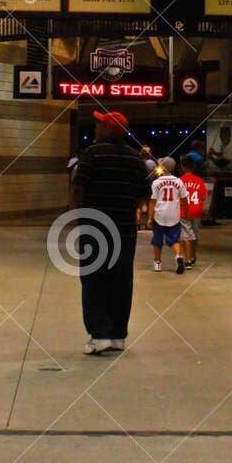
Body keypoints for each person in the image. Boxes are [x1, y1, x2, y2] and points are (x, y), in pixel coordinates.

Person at [70, 110, 151, 354]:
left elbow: (78, 187)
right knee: (121, 281)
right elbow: (144, 194)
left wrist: (77, 217)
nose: (95, 129)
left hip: (95, 228)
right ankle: (117, 335)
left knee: (94, 280)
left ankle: (100, 335)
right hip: (125, 231)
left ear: (107, 130)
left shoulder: (92, 153)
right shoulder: (135, 159)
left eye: (99, 126)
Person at [149, 156, 190, 274]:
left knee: (157, 240)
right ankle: (178, 256)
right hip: (174, 215)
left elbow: (152, 201)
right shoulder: (179, 181)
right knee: (174, 240)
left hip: (159, 215)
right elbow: (184, 199)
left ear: (162, 167)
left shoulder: (156, 182)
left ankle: (157, 263)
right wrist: (186, 212)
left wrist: (150, 218)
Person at [180, 160, 208, 269]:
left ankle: (187, 261)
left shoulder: (180, 181)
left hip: (184, 211)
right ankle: (193, 256)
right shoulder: (199, 181)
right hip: (197, 211)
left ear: (182, 167)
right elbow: (204, 196)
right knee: (195, 234)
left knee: (186, 235)